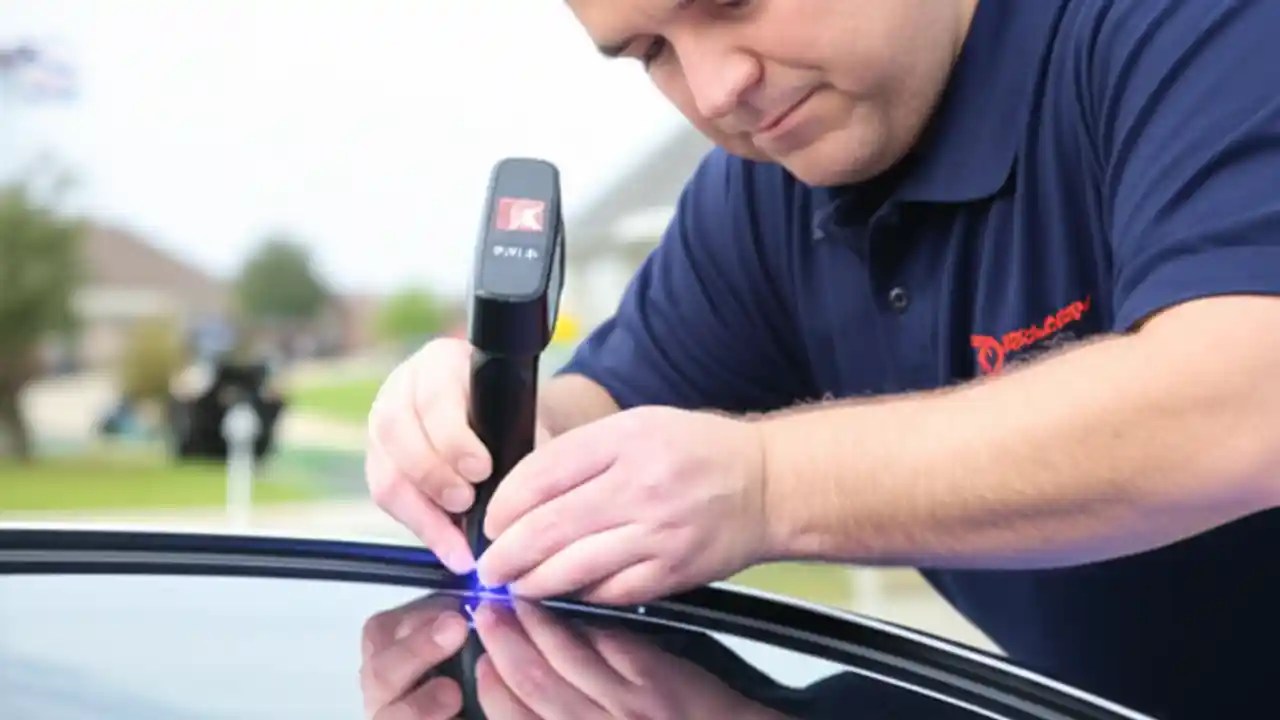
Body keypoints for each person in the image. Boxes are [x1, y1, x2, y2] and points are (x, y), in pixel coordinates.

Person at [364, 1, 1280, 716]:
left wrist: (770, 485)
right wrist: (486, 428)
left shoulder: (1198, 30)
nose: (716, 89)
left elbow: (1247, 401)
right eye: (652, 52)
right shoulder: (765, 194)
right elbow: (606, 413)